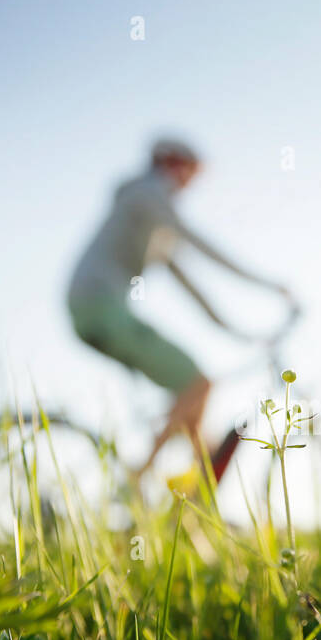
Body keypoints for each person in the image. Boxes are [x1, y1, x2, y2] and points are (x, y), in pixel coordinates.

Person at [67, 137, 293, 481]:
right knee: (199, 384)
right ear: (174, 165)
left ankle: (194, 507)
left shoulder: (150, 218)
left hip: (95, 311)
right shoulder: (146, 194)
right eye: (191, 174)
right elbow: (198, 243)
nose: (191, 185)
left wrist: (240, 333)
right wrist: (268, 284)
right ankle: (138, 480)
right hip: (98, 307)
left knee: (194, 411)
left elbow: (191, 287)